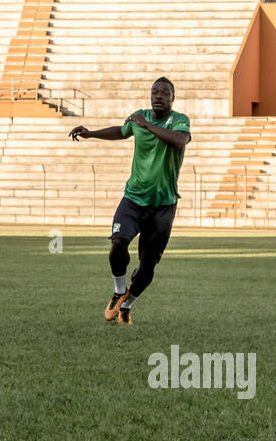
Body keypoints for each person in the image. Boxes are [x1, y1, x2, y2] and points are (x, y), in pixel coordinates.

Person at [68, 76, 190, 326]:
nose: (158, 96)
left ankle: (127, 304)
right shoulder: (138, 116)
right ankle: (118, 291)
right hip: (134, 197)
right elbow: (122, 131)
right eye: (154, 92)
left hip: (163, 205)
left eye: (164, 92)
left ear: (172, 98)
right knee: (118, 242)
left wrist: (145, 125)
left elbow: (179, 141)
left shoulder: (179, 121)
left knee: (146, 269)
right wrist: (91, 133)